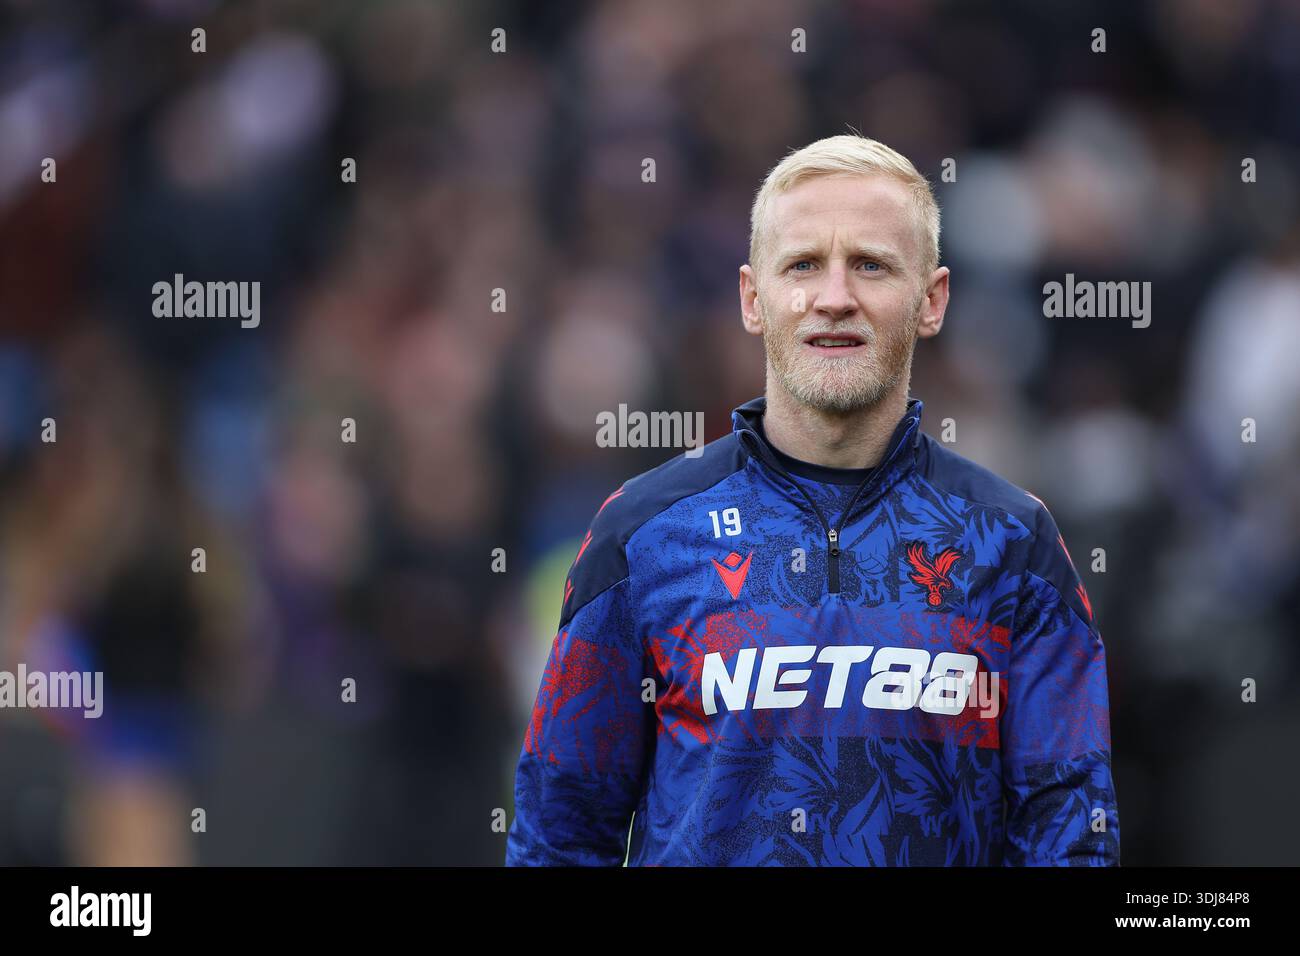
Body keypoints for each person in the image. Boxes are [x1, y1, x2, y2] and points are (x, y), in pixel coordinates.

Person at [506, 133, 1119, 866]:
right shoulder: (642, 535)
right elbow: (558, 836)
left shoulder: (1013, 544)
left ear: (932, 300)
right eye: (803, 265)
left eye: (870, 265)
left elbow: (1072, 838)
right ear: (752, 298)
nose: (835, 298)